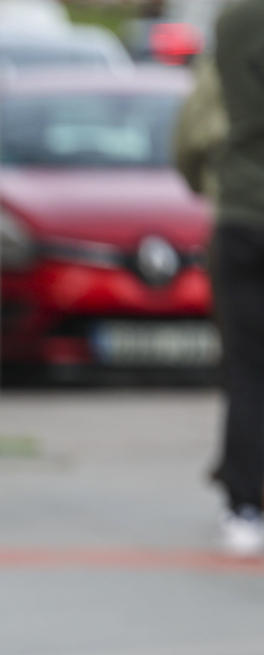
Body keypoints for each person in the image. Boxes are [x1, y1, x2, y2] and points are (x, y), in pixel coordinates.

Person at [199, 0, 264, 555]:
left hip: (241, 211)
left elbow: (196, 125)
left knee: (245, 368)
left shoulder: (229, 25)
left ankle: (243, 504)